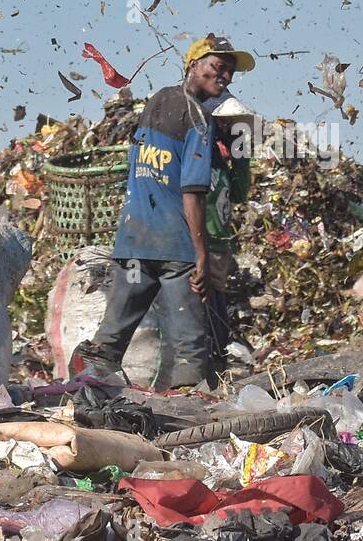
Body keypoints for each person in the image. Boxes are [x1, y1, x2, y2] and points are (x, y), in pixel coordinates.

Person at [72, 35, 255, 389]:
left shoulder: (156, 101)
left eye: (230, 72)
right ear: (194, 65)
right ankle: (188, 409)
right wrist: (200, 255)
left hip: (134, 240)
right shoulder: (199, 119)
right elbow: (193, 192)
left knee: (109, 341)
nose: (226, 77)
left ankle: (83, 394)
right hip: (175, 249)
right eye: (219, 67)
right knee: (189, 347)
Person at [201, 91, 253, 354]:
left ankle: (218, 359)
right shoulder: (197, 160)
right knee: (203, 312)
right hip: (201, 246)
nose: (225, 127)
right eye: (220, 121)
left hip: (219, 247)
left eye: (229, 123)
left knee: (216, 307)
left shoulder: (221, 164)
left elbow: (240, 192)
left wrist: (240, 151)